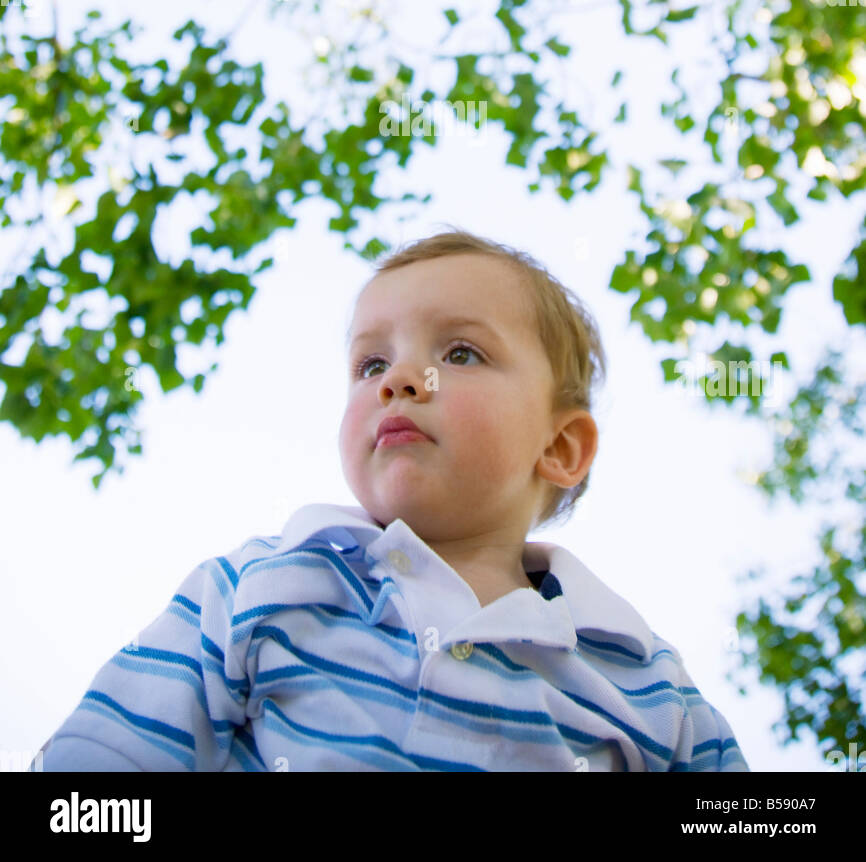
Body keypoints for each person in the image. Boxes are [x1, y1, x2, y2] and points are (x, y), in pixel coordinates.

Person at [34, 225, 750, 772]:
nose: (400, 379)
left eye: (460, 353)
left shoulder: (650, 683)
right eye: (371, 362)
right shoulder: (257, 587)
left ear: (559, 448)